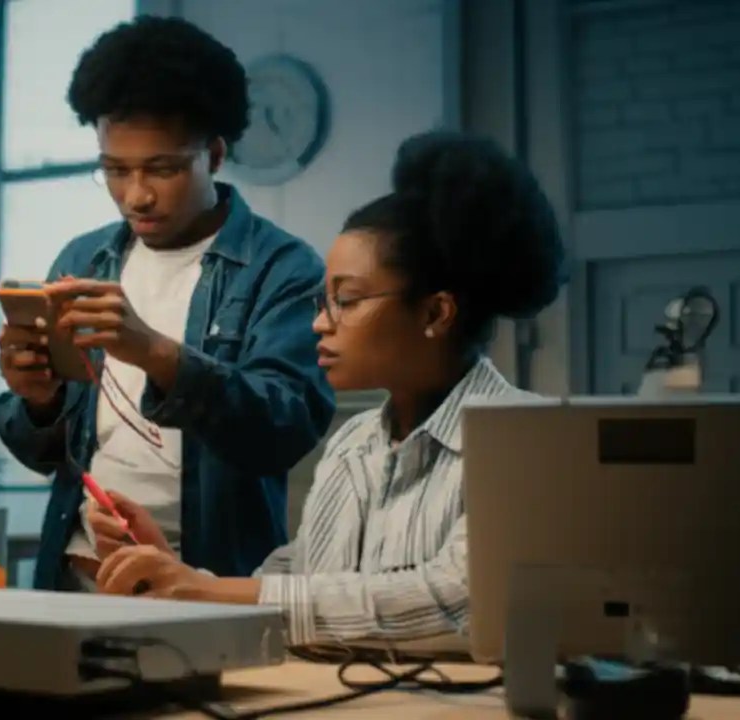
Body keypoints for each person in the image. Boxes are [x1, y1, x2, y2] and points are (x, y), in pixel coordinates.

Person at [89, 130, 567, 647]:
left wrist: (205, 593)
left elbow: (457, 596)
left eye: (348, 300)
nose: (320, 323)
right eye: (324, 300)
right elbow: (300, 576)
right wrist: (177, 574)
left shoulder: (525, 440)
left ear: (435, 312)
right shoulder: (353, 441)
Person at [0, 16, 335, 591]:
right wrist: (39, 402)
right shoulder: (85, 258)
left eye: (164, 168)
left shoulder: (283, 268)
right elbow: (49, 454)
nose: (136, 194)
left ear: (216, 154)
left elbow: (284, 430)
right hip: (76, 575)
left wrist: (154, 352)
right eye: (115, 170)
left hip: (208, 581)